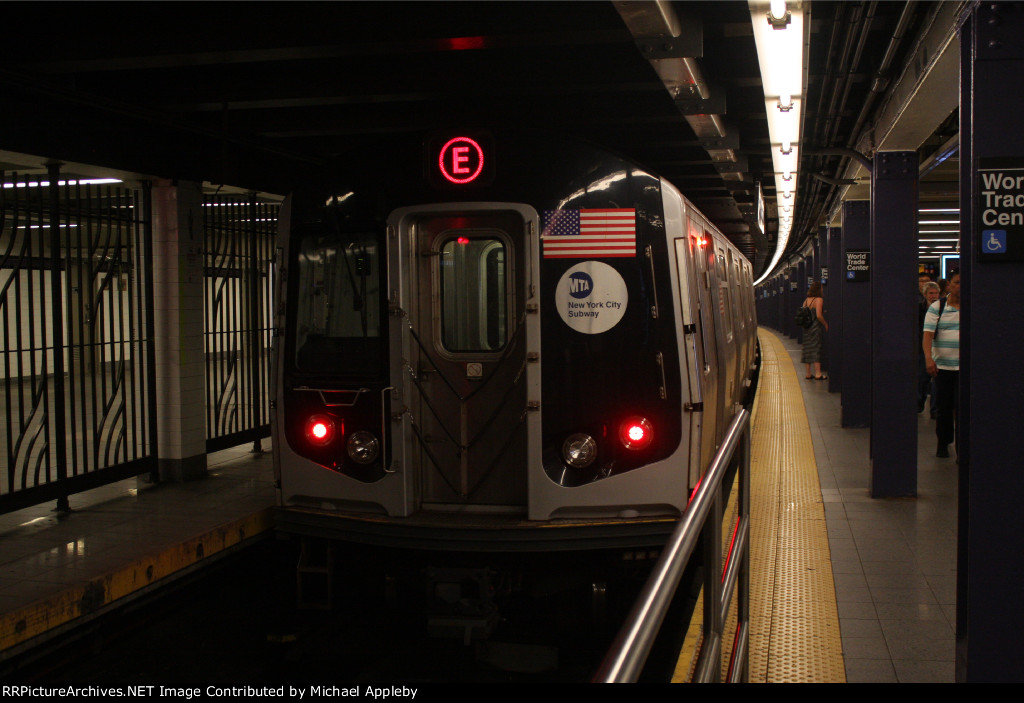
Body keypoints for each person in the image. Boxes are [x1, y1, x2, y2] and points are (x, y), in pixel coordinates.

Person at [922, 272, 959, 458]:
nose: (960, 286)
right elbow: (927, 335)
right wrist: (929, 359)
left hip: (964, 369)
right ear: (949, 285)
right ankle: (943, 443)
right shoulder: (938, 308)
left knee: (962, 408)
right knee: (943, 408)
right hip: (942, 368)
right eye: (956, 283)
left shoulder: (972, 306)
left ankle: (963, 446)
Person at [918, 281, 940, 415]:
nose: (934, 295)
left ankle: (935, 409)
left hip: (938, 347)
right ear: (925, 294)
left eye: (936, 293)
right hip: (923, 348)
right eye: (931, 293)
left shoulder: (943, 309)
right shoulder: (919, 309)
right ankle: (918, 404)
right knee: (922, 378)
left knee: (937, 381)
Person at [800, 281, 827, 380]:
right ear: (818, 289)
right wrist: (825, 324)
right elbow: (819, 315)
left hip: (806, 328)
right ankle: (818, 373)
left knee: (807, 349)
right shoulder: (819, 300)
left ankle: (808, 373)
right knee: (816, 349)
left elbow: (803, 311)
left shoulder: (807, 300)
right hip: (815, 328)